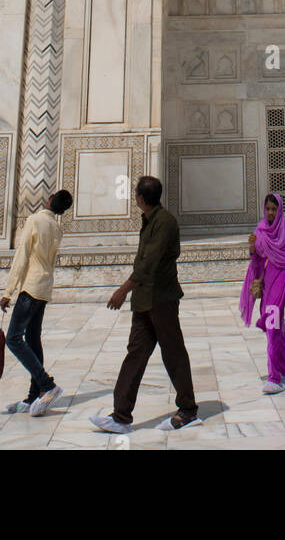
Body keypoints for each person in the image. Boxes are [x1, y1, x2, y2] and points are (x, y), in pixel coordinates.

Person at [90, 175, 200, 434]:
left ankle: (188, 409)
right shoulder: (151, 220)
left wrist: (122, 290)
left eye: (135, 193)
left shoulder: (164, 222)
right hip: (144, 302)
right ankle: (120, 416)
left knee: (173, 353)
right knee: (136, 354)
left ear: (141, 198)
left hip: (161, 298)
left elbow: (148, 264)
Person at [0, 188, 73, 416]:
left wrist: (8, 291)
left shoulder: (35, 220)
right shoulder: (57, 228)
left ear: (50, 200)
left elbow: (22, 256)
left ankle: (48, 385)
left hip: (30, 288)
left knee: (13, 339)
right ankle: (33, 397)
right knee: (32, 340)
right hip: (44, 288)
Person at [240, 193, 285, 394]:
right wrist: (252, 248)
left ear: (280, 210)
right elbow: (257, 260)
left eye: (273, 209)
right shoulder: (260, 230)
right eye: (268, 209)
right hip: (268, 283)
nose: (270, 213)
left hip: (281, 282)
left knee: (272, 324)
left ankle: (274, 377)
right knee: (277, 327)